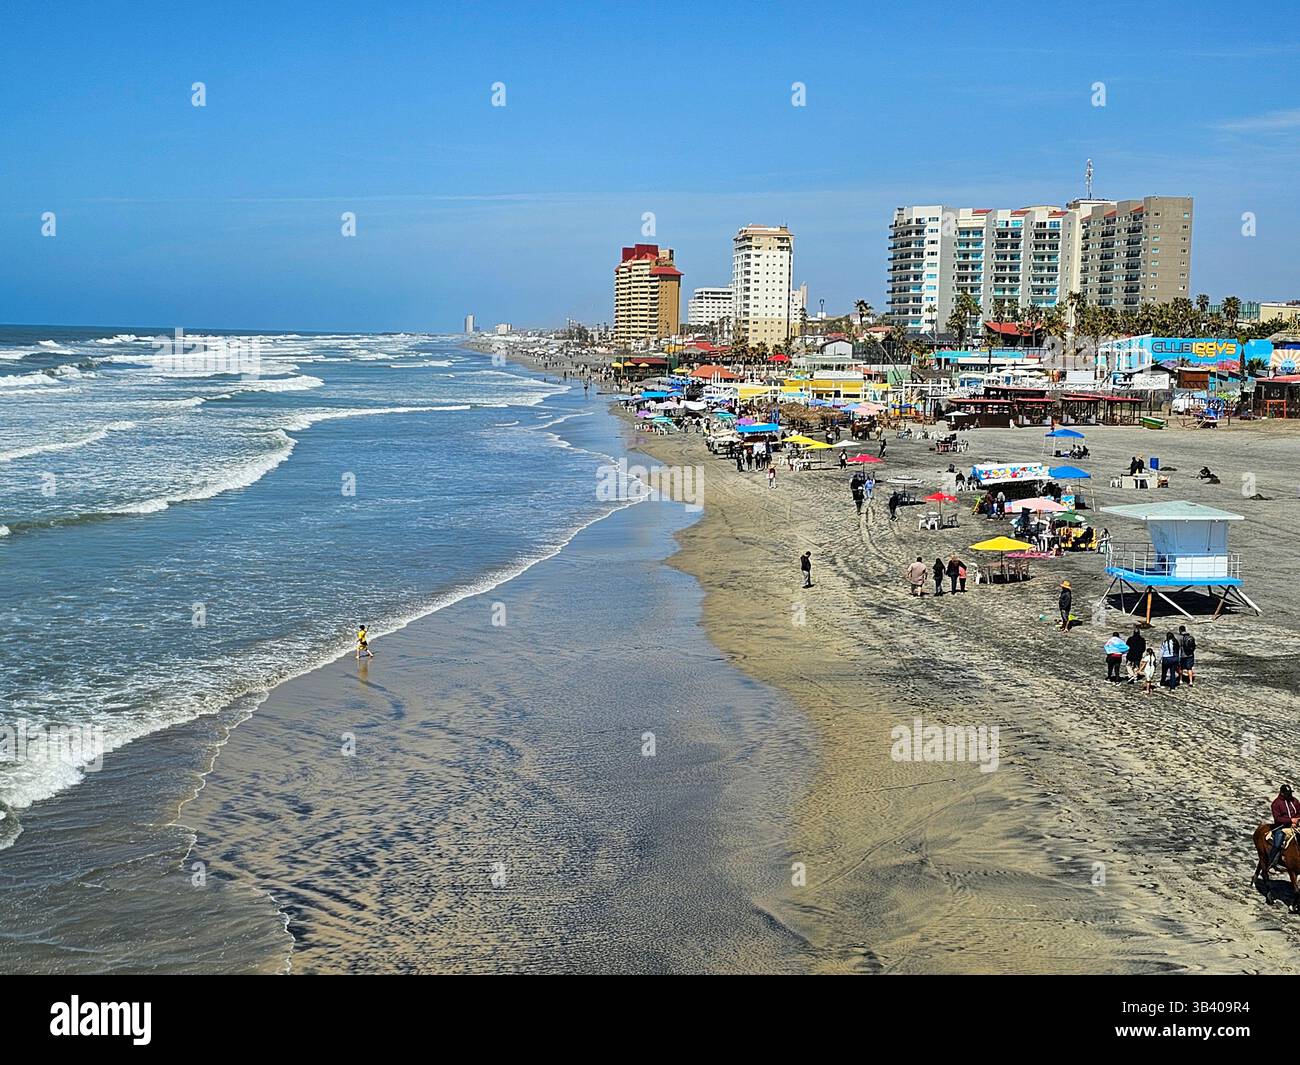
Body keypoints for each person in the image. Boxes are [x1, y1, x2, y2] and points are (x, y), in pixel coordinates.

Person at [1267, 785, 1300, 871]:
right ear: (1282, 793)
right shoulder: (1276, 804)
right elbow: (1277, 818)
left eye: (1290, 793)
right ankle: (1271, 863)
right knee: (1278, 843)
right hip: (1281, 826)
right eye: (1287, 793)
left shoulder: (1295, 801)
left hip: (1296, 824)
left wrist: (1297, 820)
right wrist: (1290, 820)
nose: (1289, 795)